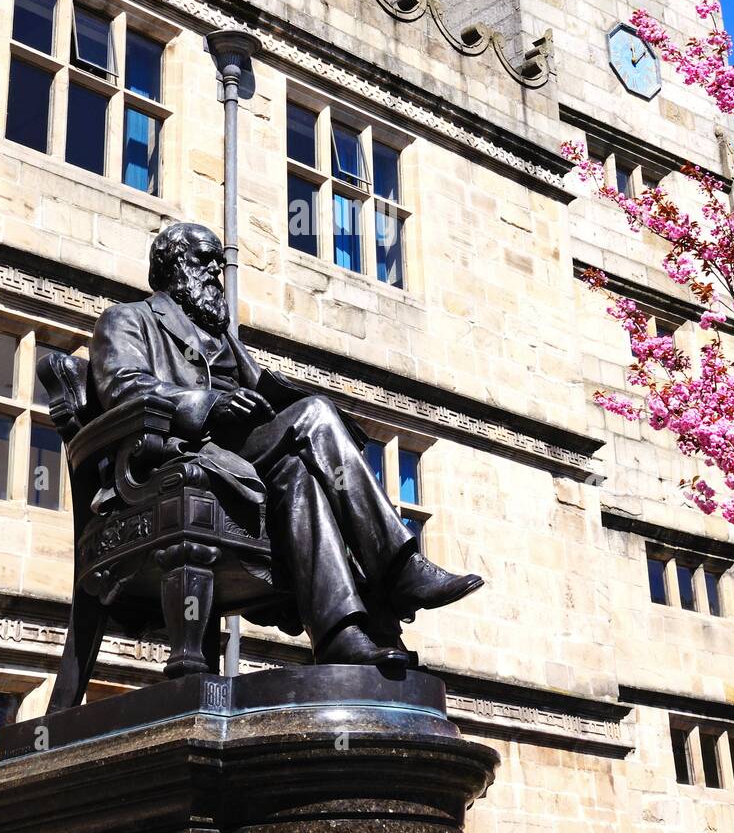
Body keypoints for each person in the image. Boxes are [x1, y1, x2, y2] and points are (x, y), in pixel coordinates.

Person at [91, 223, 483, 667]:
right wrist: (209, 403)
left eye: (220, 260)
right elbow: (125, 388)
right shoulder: (127, 319)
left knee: (303, 477)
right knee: (314, 415)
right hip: (181, 455)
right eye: (205, 258)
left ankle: (339, 635)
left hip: (245, 454)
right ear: (173, 264)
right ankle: (399, 568)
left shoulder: (224, 340)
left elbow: (266, 392)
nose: (217, 269)